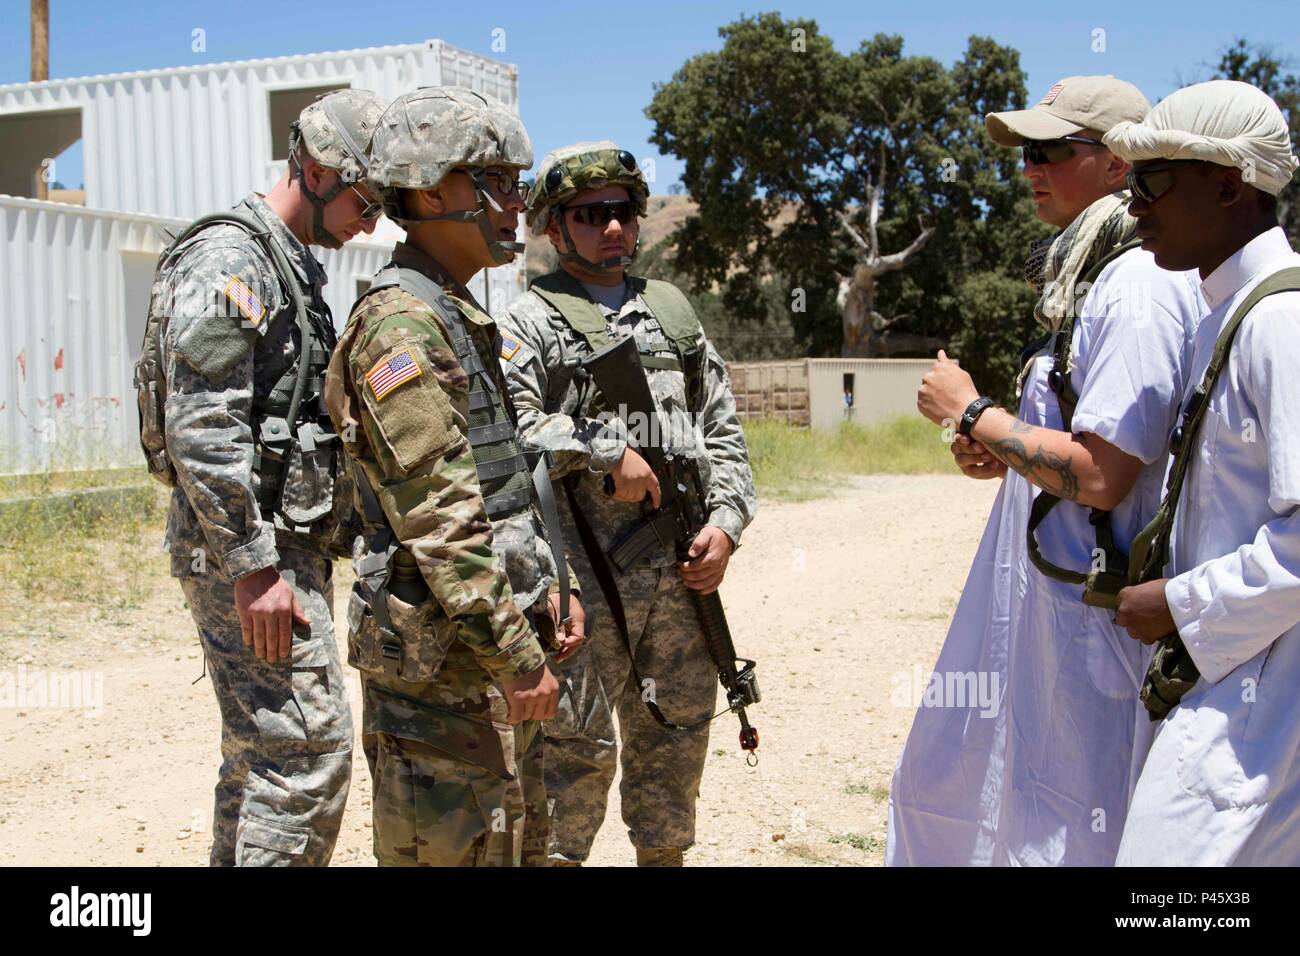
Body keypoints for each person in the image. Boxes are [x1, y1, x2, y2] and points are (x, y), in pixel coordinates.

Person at [888, 76, 1204, 865]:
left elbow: (1102, 474)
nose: (1029, 167)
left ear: (1118, 165)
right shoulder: (1096, 278)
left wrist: (971, 413)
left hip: (1091, 622)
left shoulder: (1135, 288)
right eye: (1026, 151)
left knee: (1077, 818)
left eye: (1052, 150)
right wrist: (1000, 449)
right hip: (1061, 608)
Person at [324, 87, 584, 867]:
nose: (517, 204)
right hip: (443, 676)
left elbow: (502, 487)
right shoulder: (403, 325)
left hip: (486, 655)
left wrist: (548, 598)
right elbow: (441, 522)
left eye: (518, 184)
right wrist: (516, 654)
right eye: (497, 183)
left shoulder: (453, 313)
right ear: (433, 191)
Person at [137, 89, 386, 866]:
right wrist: (252, 566)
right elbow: (200, 423)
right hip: (247, 551)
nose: (370, 221)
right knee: (307, 755)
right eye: (362, 198)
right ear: (312, 168)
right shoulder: (233, 258)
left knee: (262, 756)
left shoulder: (287, 263)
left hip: (276, 546)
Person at [497, 141, 757, 866]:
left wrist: (727, 527)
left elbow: (724, 431)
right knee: (570, 760)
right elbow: (510, 431)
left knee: (673, 754)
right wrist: (604, 450)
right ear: (555, 227)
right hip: (581, 581)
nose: (612, 228)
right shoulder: (531, 320)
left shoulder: (671, 311)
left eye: (623, 212)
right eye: (590, 214)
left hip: (678, 577)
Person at [1104, 80, 1300, 866]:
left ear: (1228, 185)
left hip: (1263, 699)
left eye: (1152, 180)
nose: (1134, 206)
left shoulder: (1280, 323)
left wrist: (1179, 604)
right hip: (1233, 680)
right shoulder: (1229, 310)